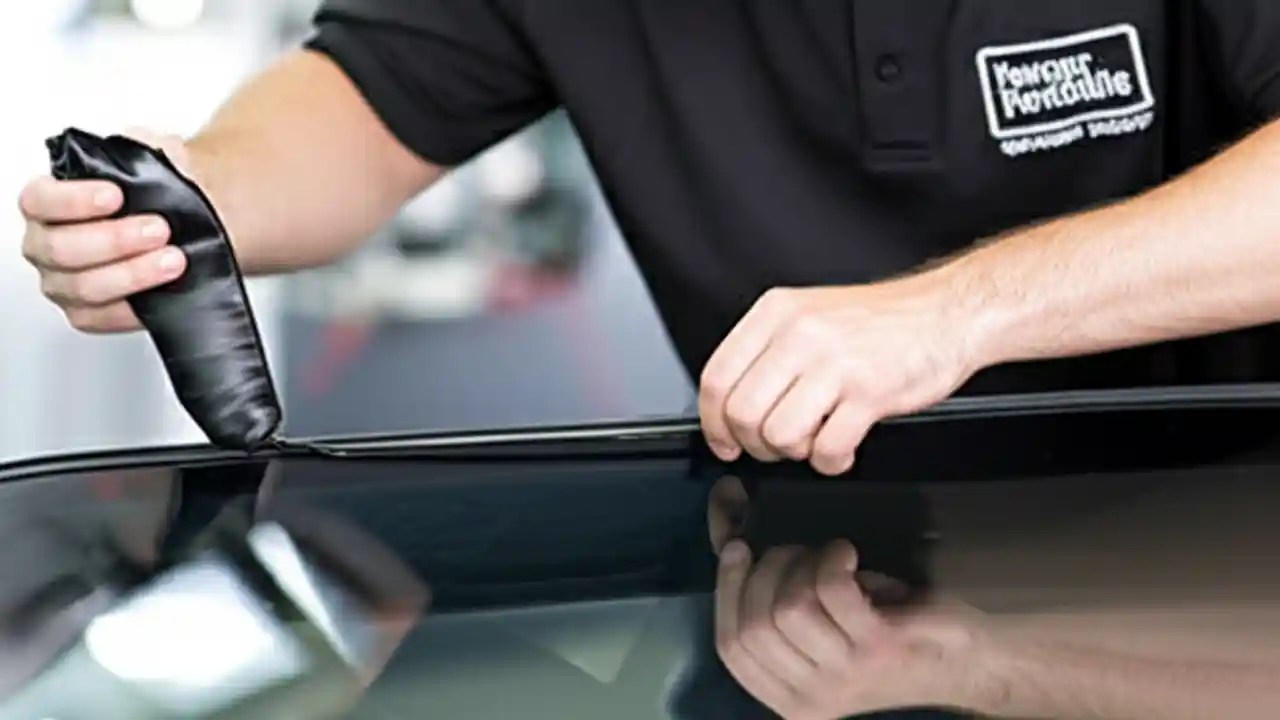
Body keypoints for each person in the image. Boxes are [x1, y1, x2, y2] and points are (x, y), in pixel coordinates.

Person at [16, 1, 1280, 717]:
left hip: (1211, 602)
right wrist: (194, 197)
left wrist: (951, 315)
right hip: (789, 627)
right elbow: (364, 96)